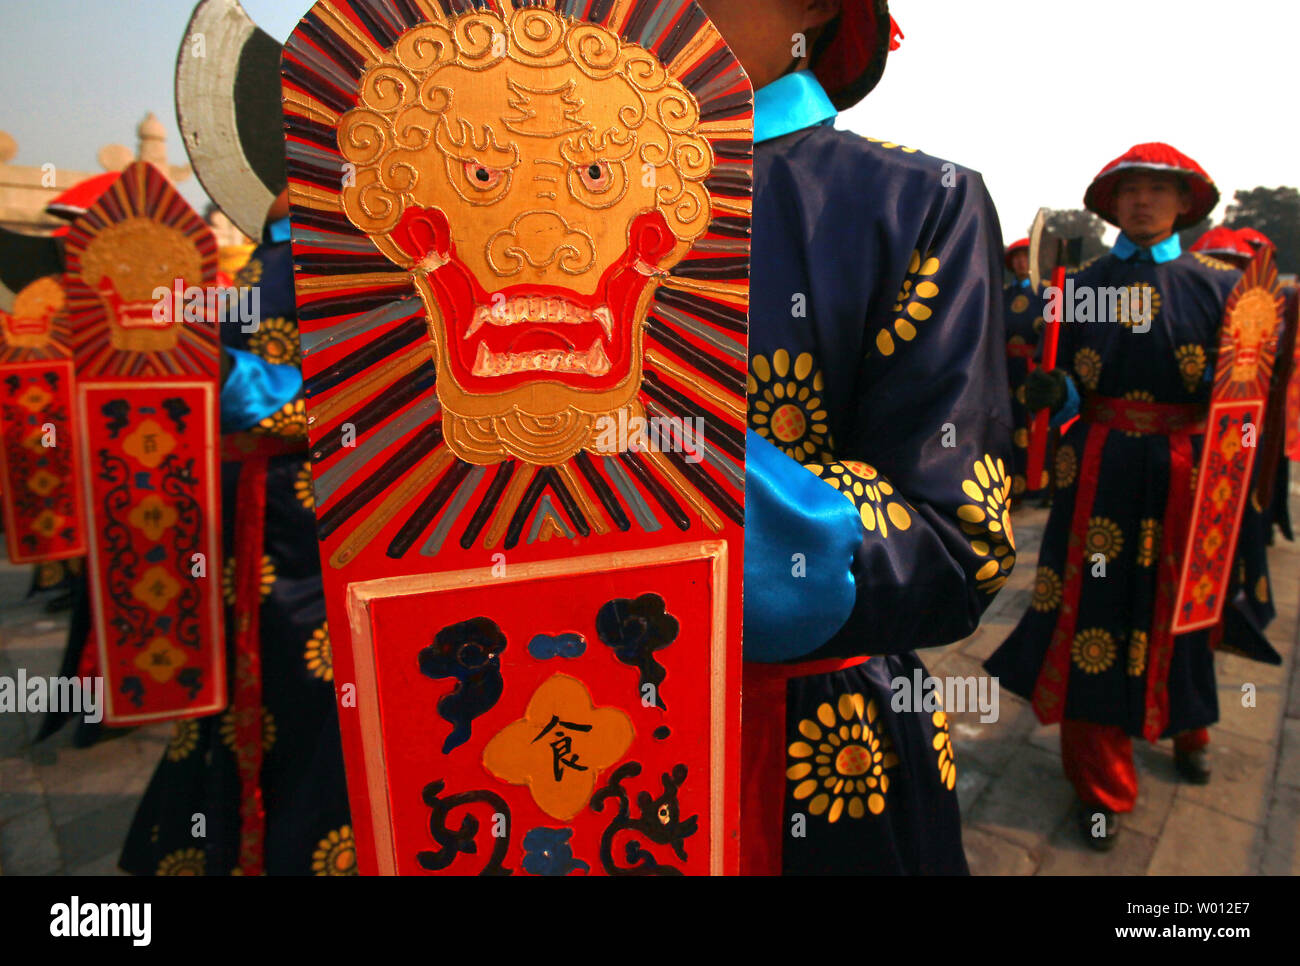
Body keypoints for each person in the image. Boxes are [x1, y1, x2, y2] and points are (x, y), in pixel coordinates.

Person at [698, 0, 1014, 874]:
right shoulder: (516, 195)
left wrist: (666, 454)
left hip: (810, 738)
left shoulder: (915, 199)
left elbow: (957, 543)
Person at [986, 143, 1248, 850]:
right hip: (1096, 468)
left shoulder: (1223, 290)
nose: (1142, 202)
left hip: (1186, 473)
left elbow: (1240, 405)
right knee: (1091, 613)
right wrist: (1058, 394)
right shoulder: (1080, 287)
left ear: (1185, 203)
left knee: (1183, 604)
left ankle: (1189, 724)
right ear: (1111, 205)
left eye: (1157, 191)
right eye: (1128, 191)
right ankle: (1100, 787)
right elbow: (1068, 378)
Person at [118, 192, 353, 876]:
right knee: (282, 676)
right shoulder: (281, 253)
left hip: (310, 502)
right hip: (276, 508)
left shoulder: (315, 250)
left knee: (315, 680)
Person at [1003, 237, 1049, 501]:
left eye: (1026, 256)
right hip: (1008, 371)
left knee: (1038, 427)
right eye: (1017, 257)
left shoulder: (1048, 293)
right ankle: (1014, 487)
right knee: (1010, 426)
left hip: (1037, 370)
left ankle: (1042, 487)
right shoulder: (1003, 295)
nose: (1022, 262)